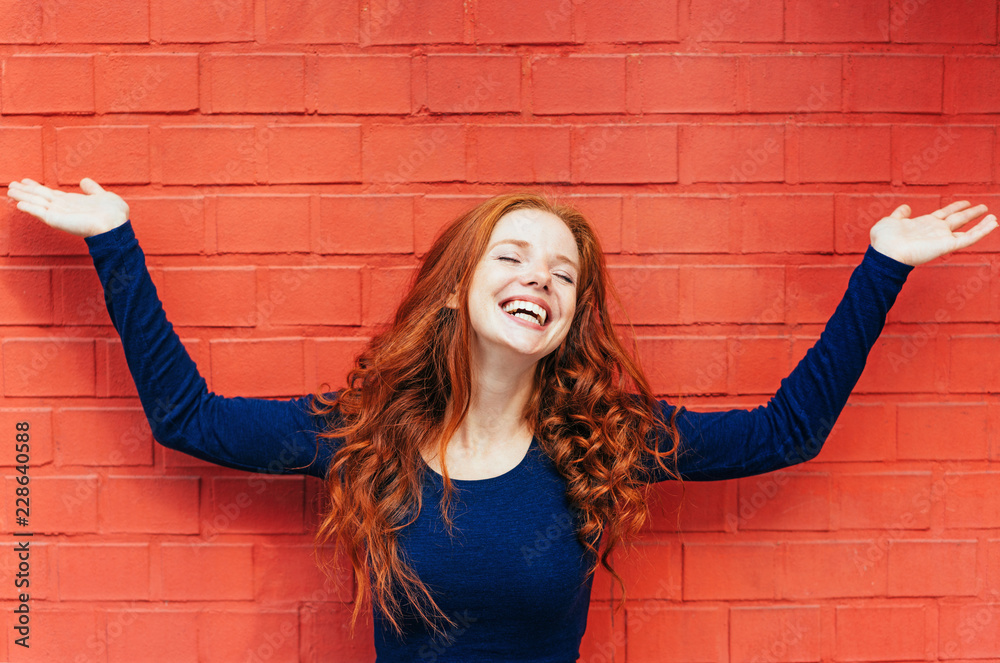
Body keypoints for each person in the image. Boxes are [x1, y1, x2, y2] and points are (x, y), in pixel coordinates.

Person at [6, 177, 997, 661]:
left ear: (569, 316)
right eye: (515, 258)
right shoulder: (367, 437)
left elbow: (784, 432)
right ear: (457, 291)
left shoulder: (604, 446)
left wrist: (884, 266)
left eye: (562, 274)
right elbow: (190, 419)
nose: (540, 280)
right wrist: (113, 242)